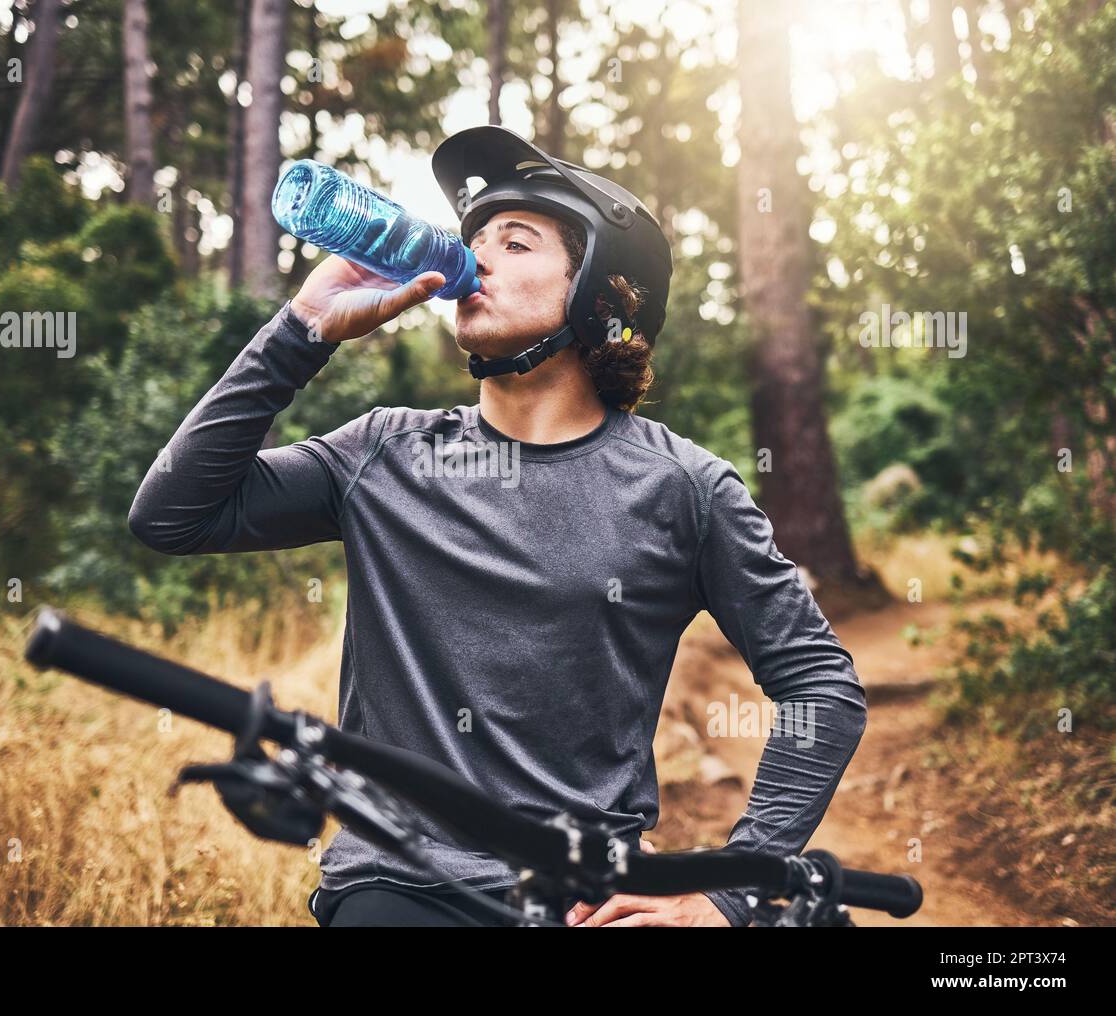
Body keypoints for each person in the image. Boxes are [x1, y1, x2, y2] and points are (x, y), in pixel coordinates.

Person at [128, 125, 868, 928]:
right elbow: (173, 514)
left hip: (587, 897)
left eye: (516, 243)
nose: (476, 259)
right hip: (397, 887)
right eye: (473, 239)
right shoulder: (385, 452)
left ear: (604, 295)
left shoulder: (683, 487)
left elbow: (820, 686)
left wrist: (727, 895)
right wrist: (301, 330)